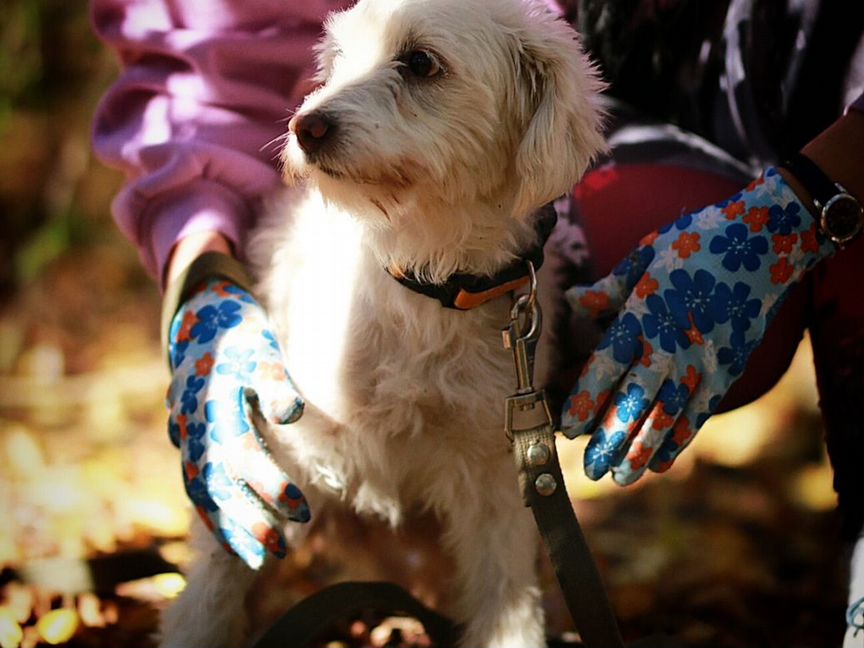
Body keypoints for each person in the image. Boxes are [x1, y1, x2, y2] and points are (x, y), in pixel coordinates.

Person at [90, 0, 864, 641]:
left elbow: (497, 502)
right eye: (338, 68)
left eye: (417, 69)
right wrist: (200, 280)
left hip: (763, 93)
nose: (316, 113)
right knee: (264, 505)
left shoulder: (531, 77)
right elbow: (205, 61)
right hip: (372, 294)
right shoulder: (324, 268)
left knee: (494, 496)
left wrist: (793, 213)